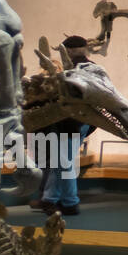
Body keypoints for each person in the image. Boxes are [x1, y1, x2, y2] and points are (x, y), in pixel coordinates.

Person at [38, 35, 99, 217]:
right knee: (61, 161)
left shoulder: (69, 70)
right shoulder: (95, 68)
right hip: (83, 122)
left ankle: (70, 203)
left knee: (64, 163)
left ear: (69, 51)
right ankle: (50, 199)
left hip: (68, 123)